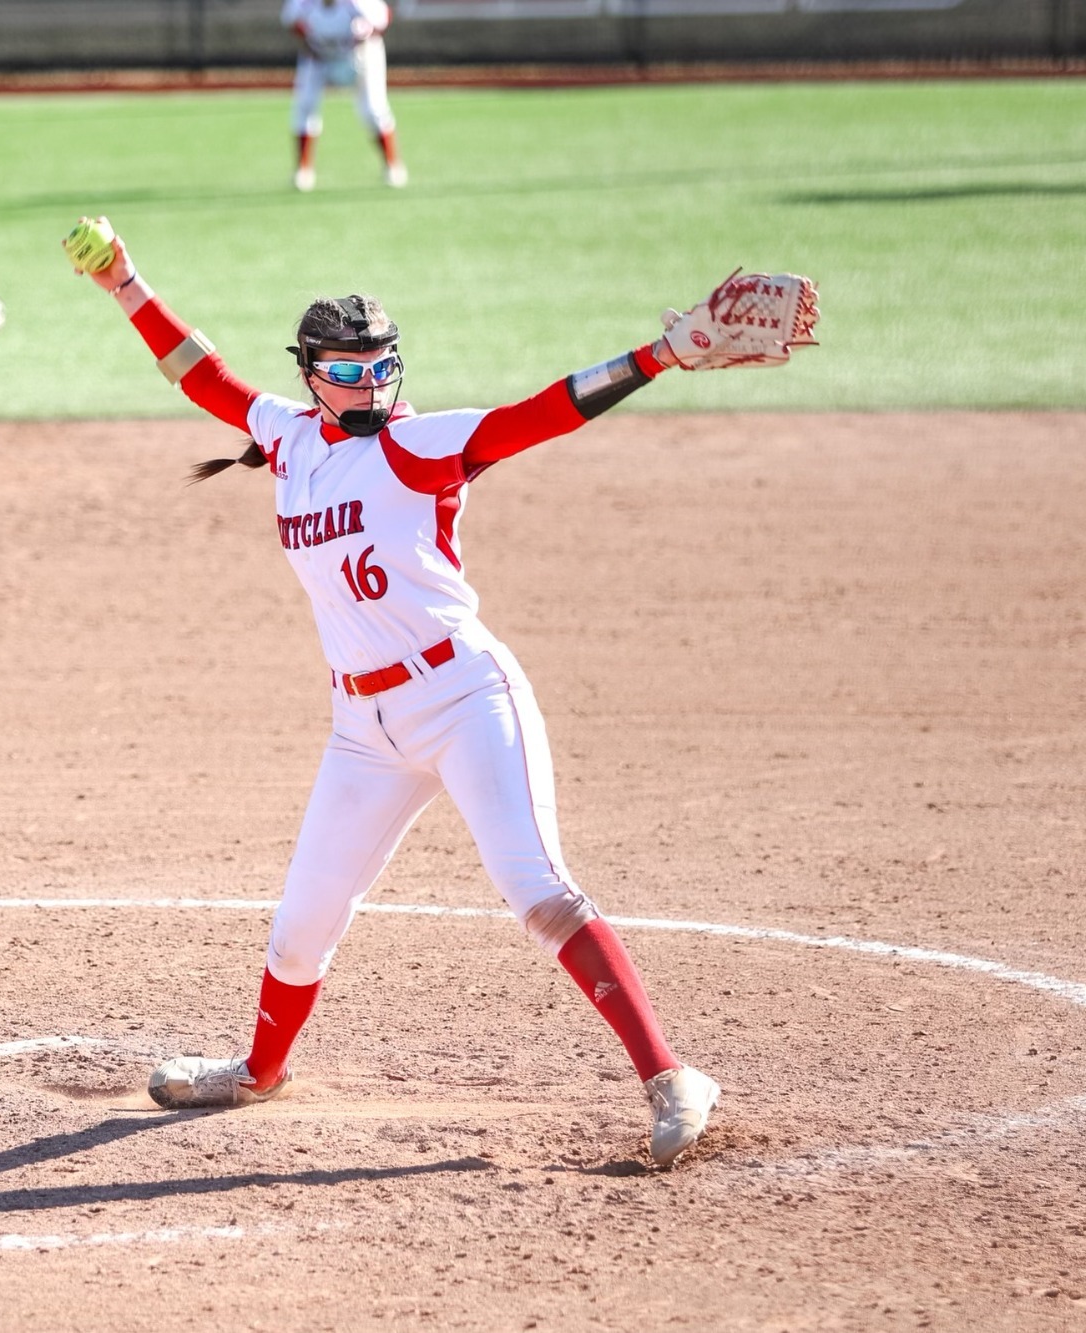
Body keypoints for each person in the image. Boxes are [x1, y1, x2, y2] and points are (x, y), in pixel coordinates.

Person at [67, 226, 732, 1169]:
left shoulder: (420, 445)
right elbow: (199, 374)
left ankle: (672, 1076)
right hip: (362, 731)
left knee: (537, 891)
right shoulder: (288, 439)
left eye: (381, 366)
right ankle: (259, 1072)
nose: (368, 385)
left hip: (464, 698)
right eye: (346, 370)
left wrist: (658, 355)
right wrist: (123, 282)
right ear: (311, 376)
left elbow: (541, 414)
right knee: (300, 929)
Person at [282, 0, 406, 192]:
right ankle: (303, 170)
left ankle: (392, 165)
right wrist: (308, 47)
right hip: (319, 56)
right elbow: (291, 22)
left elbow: (384, 17)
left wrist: (366, 36)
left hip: (359, 54)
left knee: (373, 109)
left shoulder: (357, 3)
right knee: (305, 104)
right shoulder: (302, 3)